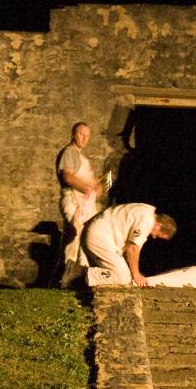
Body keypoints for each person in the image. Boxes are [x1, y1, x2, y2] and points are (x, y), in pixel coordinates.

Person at [55, 122, 104, 287]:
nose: (84, 138)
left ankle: (79, 276)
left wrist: (102, 185)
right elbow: (68, 176)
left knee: (85, 237)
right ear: (73, 134)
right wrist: (89, 190)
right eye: (81, 134)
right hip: (74, 201)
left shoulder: (83, 158)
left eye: (87, 136)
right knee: (76, 236)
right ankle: (67, 278)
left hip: (85, 203)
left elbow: (95, 184)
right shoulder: (69, 152)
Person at [81, 203, 177, 287]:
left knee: (124, 272)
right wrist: (136, 274)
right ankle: (81, 272)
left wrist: (134, 271)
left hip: (98, 232)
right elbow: (132, 248)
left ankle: (82, 275)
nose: (154, 237)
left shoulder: (146, 211)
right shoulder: (147, 221)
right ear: (159, 225)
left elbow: (130, 252)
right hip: (99, 236)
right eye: (158, 235)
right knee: (123, 277)